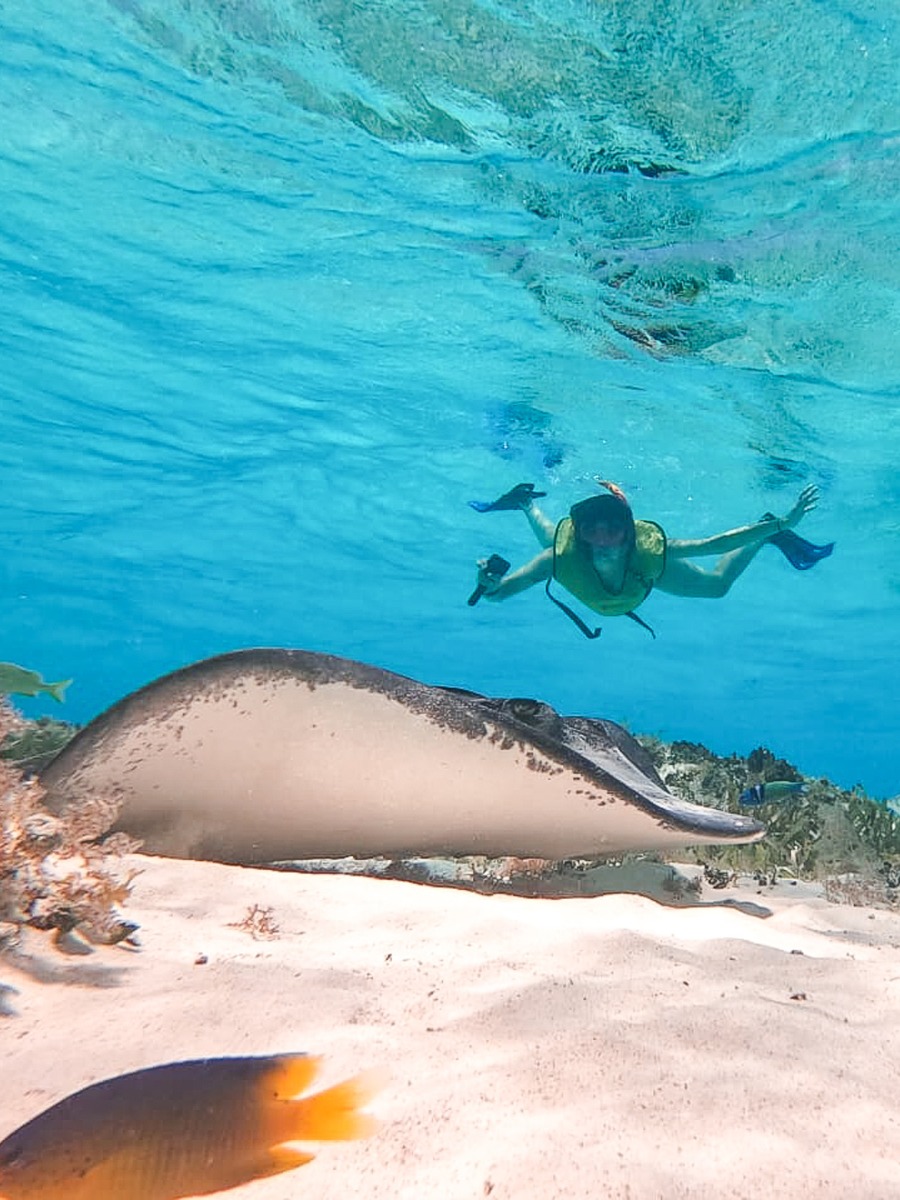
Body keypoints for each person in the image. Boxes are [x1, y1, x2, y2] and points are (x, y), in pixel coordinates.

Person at [468, 479, 833, 638]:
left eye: (613, 528)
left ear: (628, 532)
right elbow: (499, 593)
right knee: (552, 541)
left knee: (717, 586)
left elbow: (714, 544)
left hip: (642, 577)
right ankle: (526, 503)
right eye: (592, 529)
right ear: (582, 533)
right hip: (574, 561)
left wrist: (784, 523)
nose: (603, 538)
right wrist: (487, 585)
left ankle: (767, 528)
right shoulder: (561, 555)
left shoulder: (649, 550)